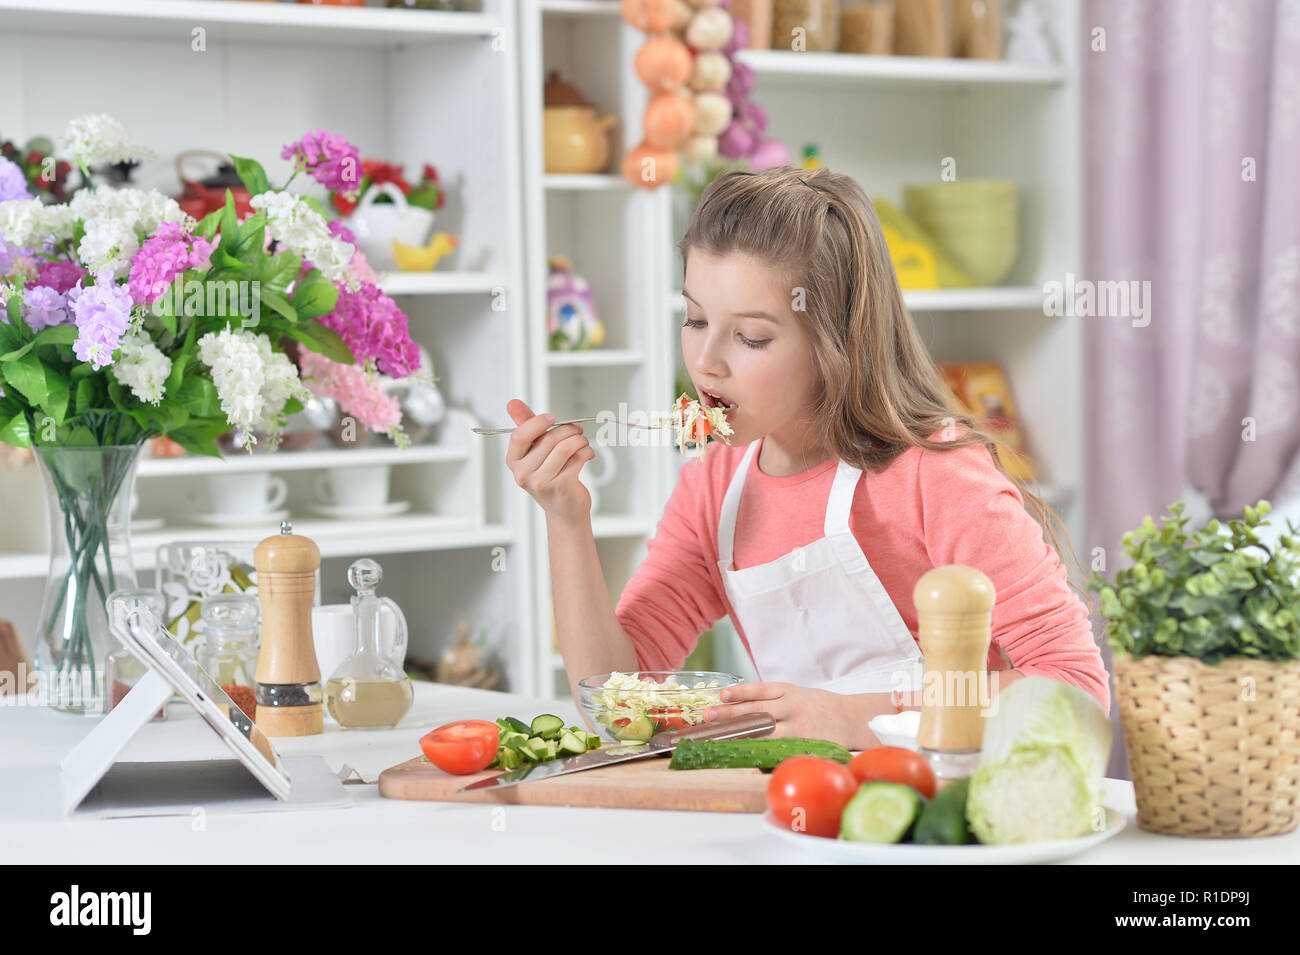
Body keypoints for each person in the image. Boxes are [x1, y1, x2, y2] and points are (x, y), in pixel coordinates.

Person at [504, 165, 1109, 749]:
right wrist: (566, 519)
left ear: (835, 340)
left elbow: (1075, 691)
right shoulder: (716, 486)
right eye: (694, 319)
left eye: (752, 336)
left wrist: (853, 720)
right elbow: (620, 703)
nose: (707, 361)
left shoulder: (938, 474)